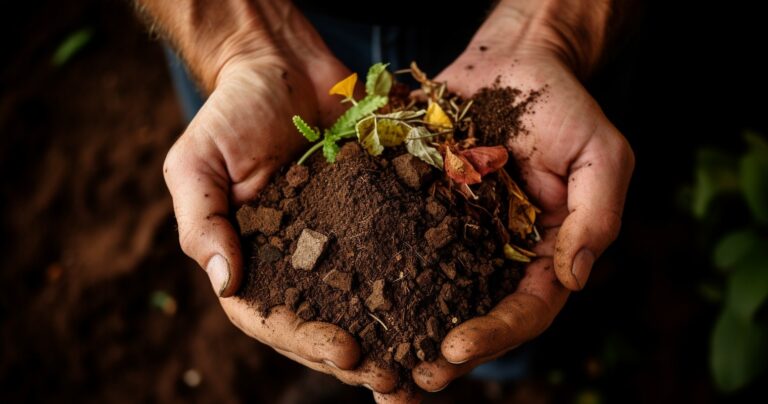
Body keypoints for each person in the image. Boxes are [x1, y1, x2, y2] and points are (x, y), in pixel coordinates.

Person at [135, 0, 635, 402]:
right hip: (262, 29)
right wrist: (237, 38)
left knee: (514, 317)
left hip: (498, 19)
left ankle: (509, 376)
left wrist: (553, 27)